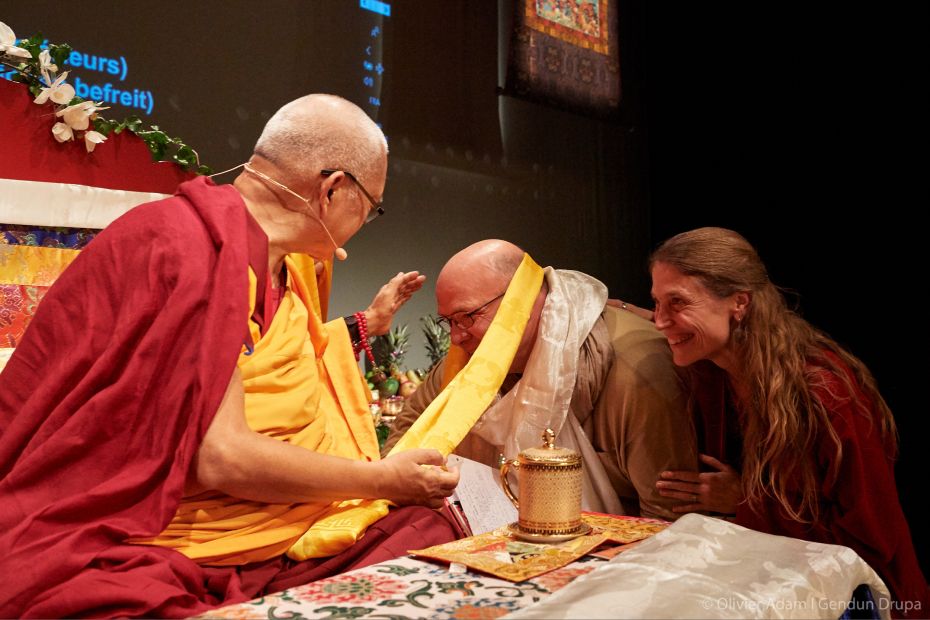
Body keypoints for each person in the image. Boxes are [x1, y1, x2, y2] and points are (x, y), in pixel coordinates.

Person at [0, 94, 460, 618]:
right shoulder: (182, 246)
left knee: (428, 535)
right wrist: (385, 480)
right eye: (372, 207)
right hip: (144, 530)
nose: (367, 221)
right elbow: (220, 456)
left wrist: (367, 326)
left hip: (266, 519)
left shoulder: (282, 271)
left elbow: (283, 365)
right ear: (333, 190)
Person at [648, 227, 928, 617]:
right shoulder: (712, 370)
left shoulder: (826, 396)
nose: (661, 321)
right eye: (656, 302)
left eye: (676, 302)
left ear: (739, 303)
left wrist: (744, 501)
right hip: (772, 581)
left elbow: (871, 541)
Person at [383, 239, 697, 519]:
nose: (456, 337)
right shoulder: (465, 362)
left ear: (523, 300)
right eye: (448, 321)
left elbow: (670, 521)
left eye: (468, 317)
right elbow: (403, 446)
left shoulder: (634, 370)